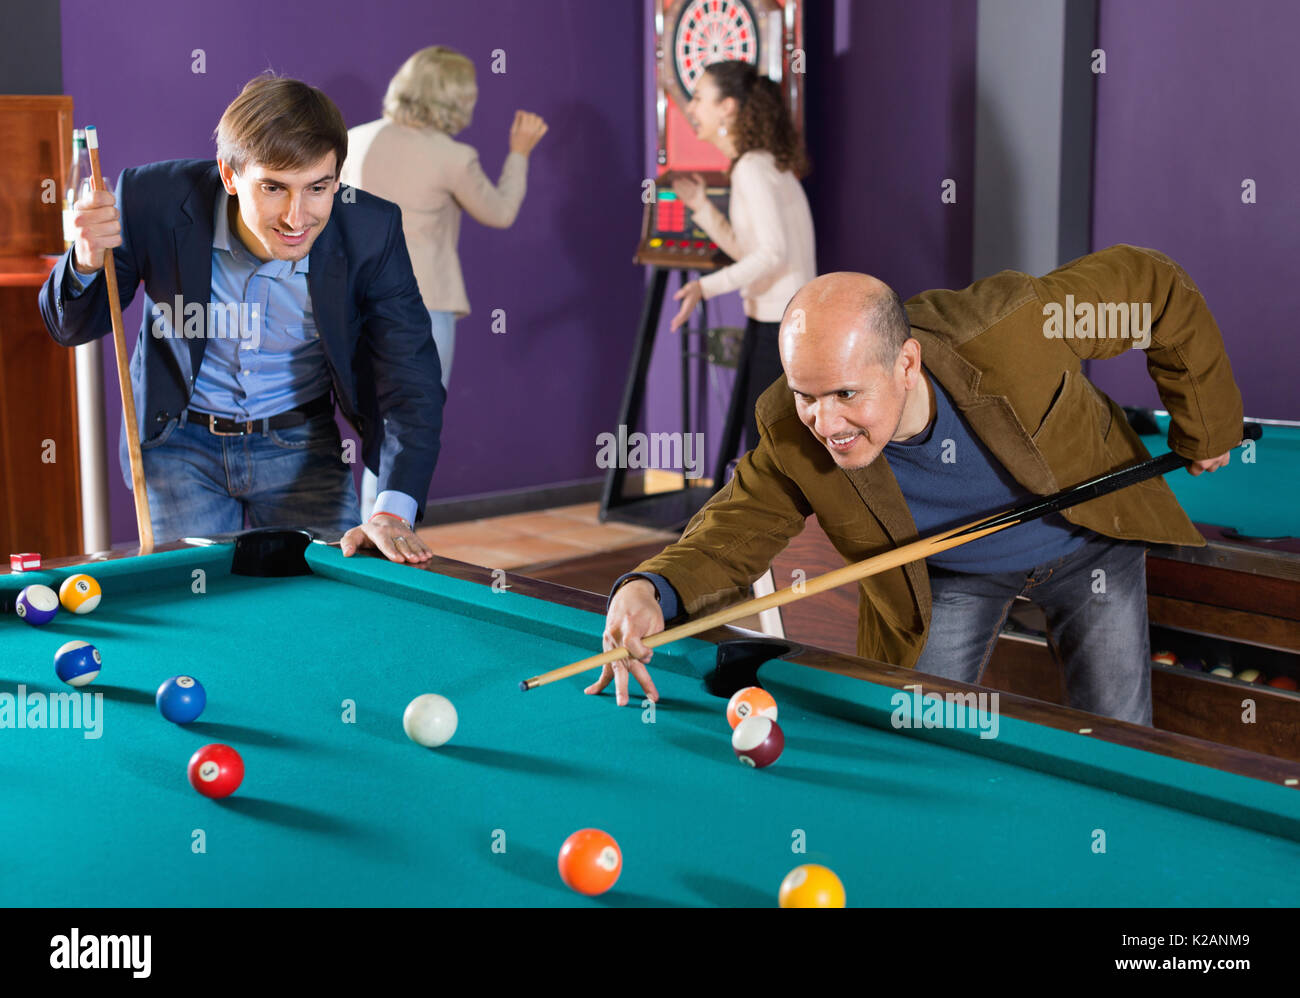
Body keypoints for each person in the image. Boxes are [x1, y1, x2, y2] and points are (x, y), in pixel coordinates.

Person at [592, 245, 1245, 725]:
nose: (825, 422)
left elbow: (1155, 289)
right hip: (948, 576)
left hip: (1089, 543)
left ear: (907, 364)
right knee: (913, 731)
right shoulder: (793, 429)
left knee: (1118, 735)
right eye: (806, 396)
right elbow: (730, 532)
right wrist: (652, 588)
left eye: (847, 394)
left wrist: (1208, 423)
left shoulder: (1014, 326)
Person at [41, 74, 442, 564]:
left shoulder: (371, 229)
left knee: (324, 610)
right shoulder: (152, 199)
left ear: (338, 178)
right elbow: (72, 327)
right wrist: (84, 258)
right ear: (230, 176)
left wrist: (392, 510)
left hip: (302, 444)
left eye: (318, 187)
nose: (297, 218)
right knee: (195, 604)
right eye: (273, 188)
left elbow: (411, 380)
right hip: (178, 445)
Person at [340, 45, 548, 518]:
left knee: (372, 425)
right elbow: (500, 212)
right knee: (411, 425)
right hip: (422, 305)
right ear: (453, 98)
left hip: (354, 304)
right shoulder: (453, 156)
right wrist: (518, 154)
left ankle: (365, 529)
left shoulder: (355, 140)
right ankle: (389, 531)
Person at [668, 59, 816, 467]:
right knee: (763, 444)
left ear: (728, 107)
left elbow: (772, 254)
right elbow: (752, 250)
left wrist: (705, 287)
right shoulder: (759, 164)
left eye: (698, 98)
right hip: (778, 319)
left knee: (764, 448)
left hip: (779, 322)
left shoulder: (752, 168)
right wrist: (702, 207)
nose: (691, 107)